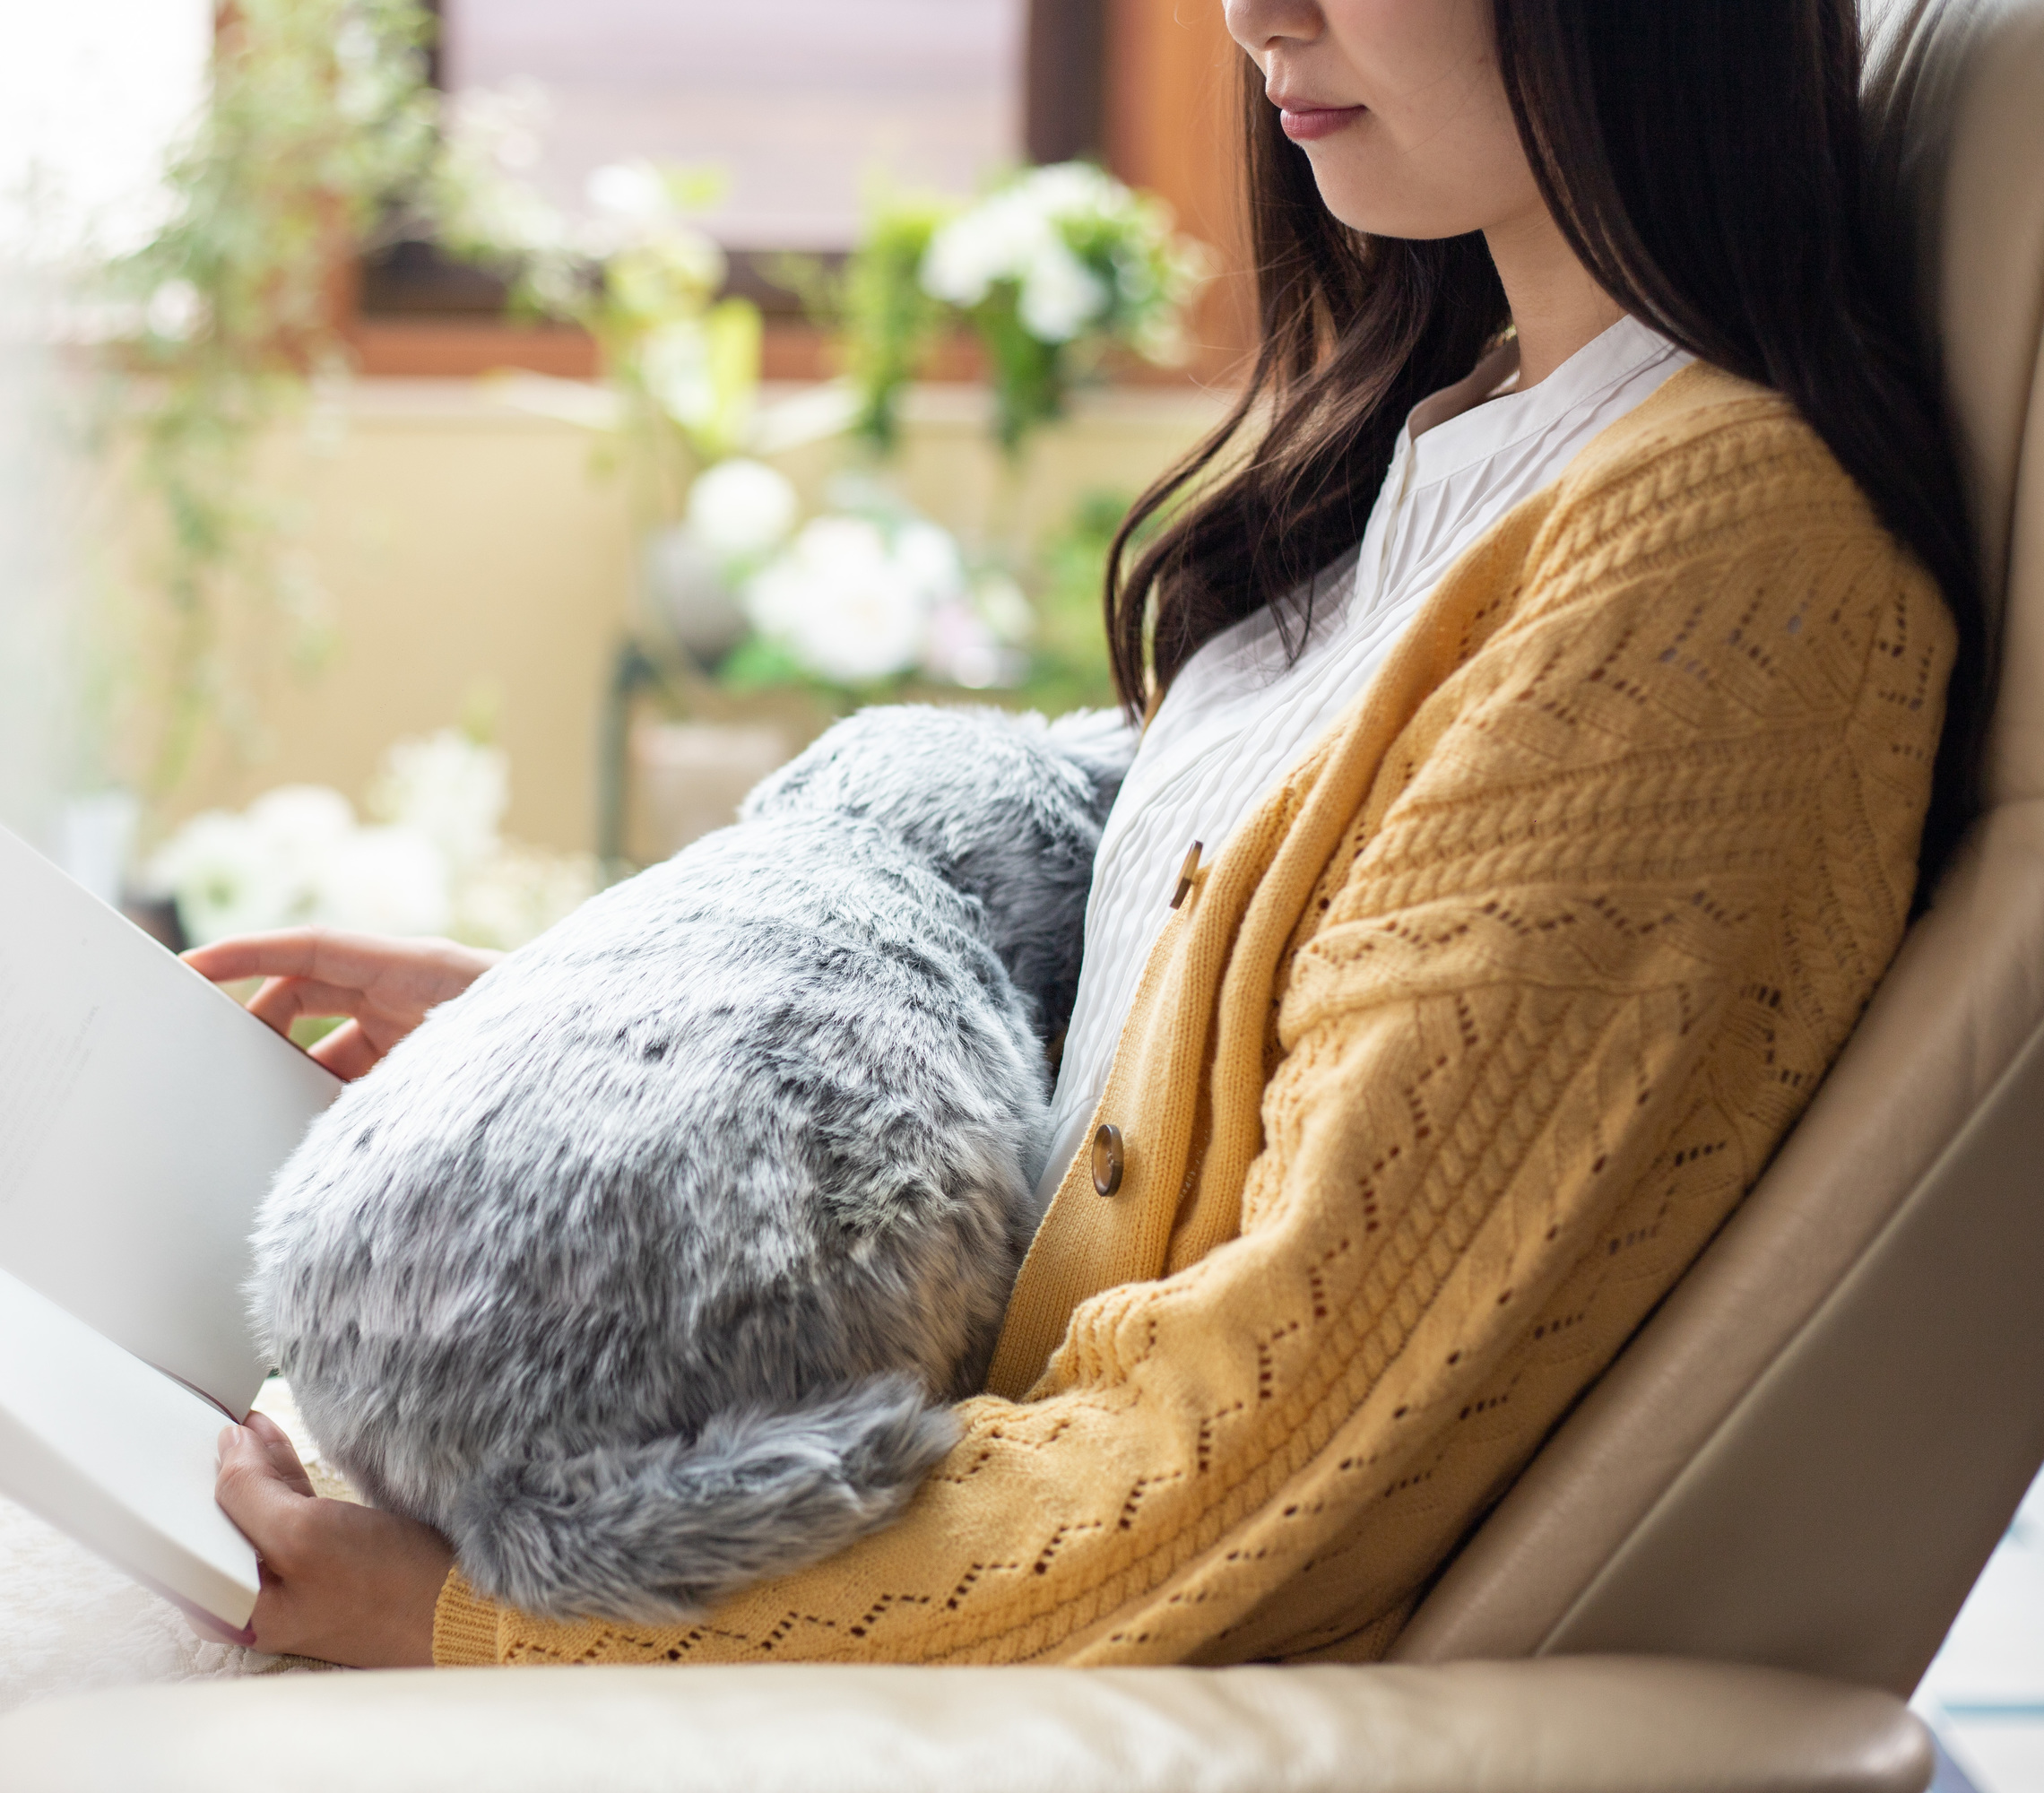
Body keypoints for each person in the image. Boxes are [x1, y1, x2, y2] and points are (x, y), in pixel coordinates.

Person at [185, 0, 1982, 1670]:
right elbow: (1186, 1059)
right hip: (933, 1500)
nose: (1255, 10)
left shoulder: (1712, 562)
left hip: (1070, 1669)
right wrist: (631, 1063)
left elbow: (1250, 1467)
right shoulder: (1473, 417)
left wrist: (493, 1629)